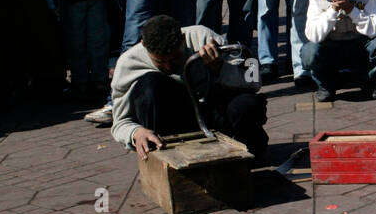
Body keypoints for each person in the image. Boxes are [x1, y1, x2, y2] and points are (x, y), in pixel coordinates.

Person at [110, 15, 267, 158]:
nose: (168, 66)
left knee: (247, 104)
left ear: (183, 39)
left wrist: (221, 67)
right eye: (160, 62)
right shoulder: (128, 64)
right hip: (178, 123)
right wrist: (135, 132)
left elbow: (254, 82)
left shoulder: (203, 36)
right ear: (143, 45)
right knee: (149, 85)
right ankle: (167, 160)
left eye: (174, 59)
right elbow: (120, 122)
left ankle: (247, 152)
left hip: (215, 114)